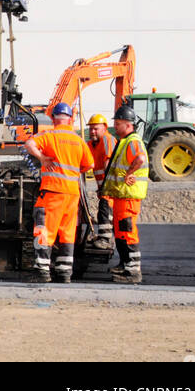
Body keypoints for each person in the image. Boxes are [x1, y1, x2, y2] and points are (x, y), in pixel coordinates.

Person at [24, 102, 94, 283]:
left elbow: (29, 143)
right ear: (70, 119)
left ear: (53, 118)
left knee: (44, 229)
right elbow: (90, 165)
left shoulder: (49, 135)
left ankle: (42, 271)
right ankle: (64, 273)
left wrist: (41, 158)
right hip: (72, 194)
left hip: (52, 191)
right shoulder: (78, 140)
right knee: (67, 233)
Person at [103, 106, 149, 284]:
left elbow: (140, 159)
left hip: (128, 197)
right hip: (122, 196)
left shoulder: (133, 141)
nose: (115, 126)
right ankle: (125, 265)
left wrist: (130, 173)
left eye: (118, 123)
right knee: (121, 232)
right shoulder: (125, 141)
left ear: (128, 125)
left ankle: (133, 272)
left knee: (128, 232)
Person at [86, 114, 117, 249]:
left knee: (105, 211)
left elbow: (108, 164)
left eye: (96, 129)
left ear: (104, 128)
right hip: (103, 186)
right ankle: (107, 237)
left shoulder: (107, 140)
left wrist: (106, 186)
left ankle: (105, 239)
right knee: (106, 212)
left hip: (110, 186)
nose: (92, 131)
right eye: (91, 129)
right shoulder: (92, 144)